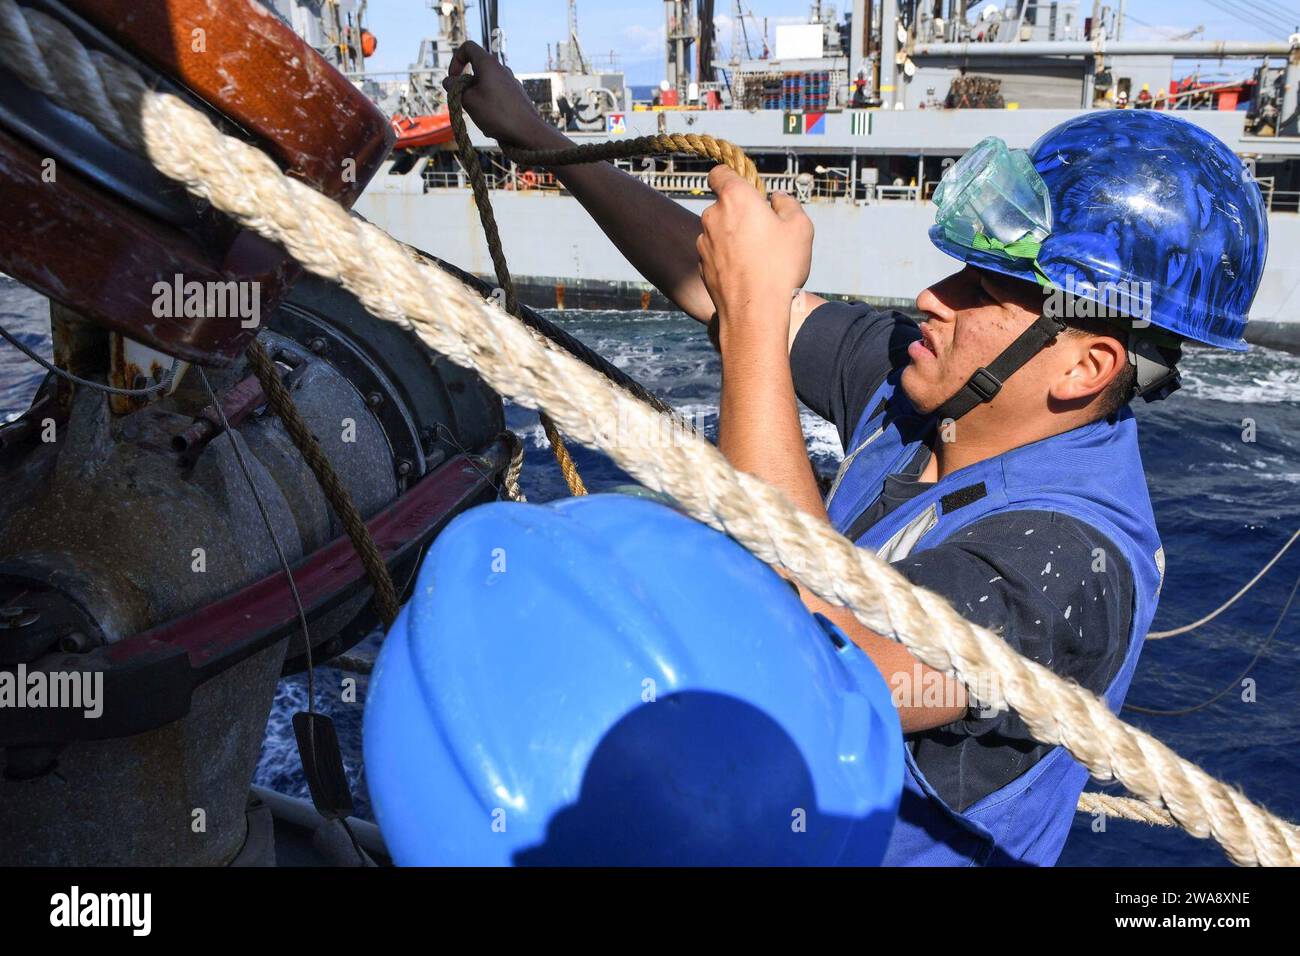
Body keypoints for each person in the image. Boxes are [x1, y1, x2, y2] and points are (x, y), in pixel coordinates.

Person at [444, 42, 1268, 865]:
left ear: (1085, 366)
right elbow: (708, 287)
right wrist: (534, 137)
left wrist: (756, 318)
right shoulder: (937, 385)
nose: (930, 299)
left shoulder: (1069, 564)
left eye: (984, 291)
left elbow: (816, 675)